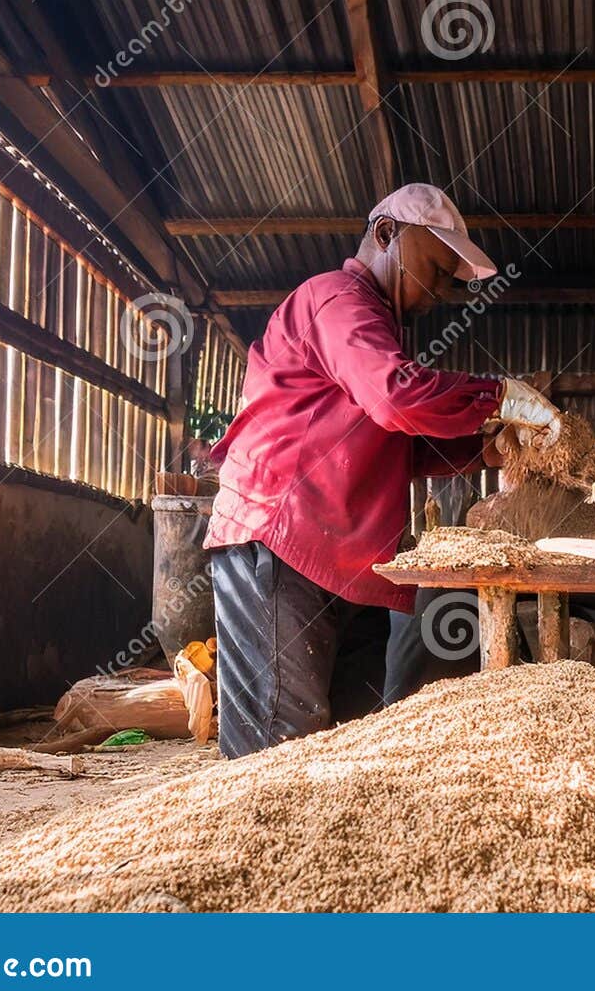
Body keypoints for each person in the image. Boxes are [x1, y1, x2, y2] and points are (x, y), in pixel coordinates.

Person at [204, 183, 563, 759]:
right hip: (280, 543)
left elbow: (393, 446)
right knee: (276, 754)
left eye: (452, 279)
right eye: (438, 268)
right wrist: (497, 395)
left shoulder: (377, 331)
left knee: (347, 748)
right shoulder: (337, 300)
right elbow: (398, 399)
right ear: (386, 233)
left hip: (342, 563)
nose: (443, 290)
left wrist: (483, 452)